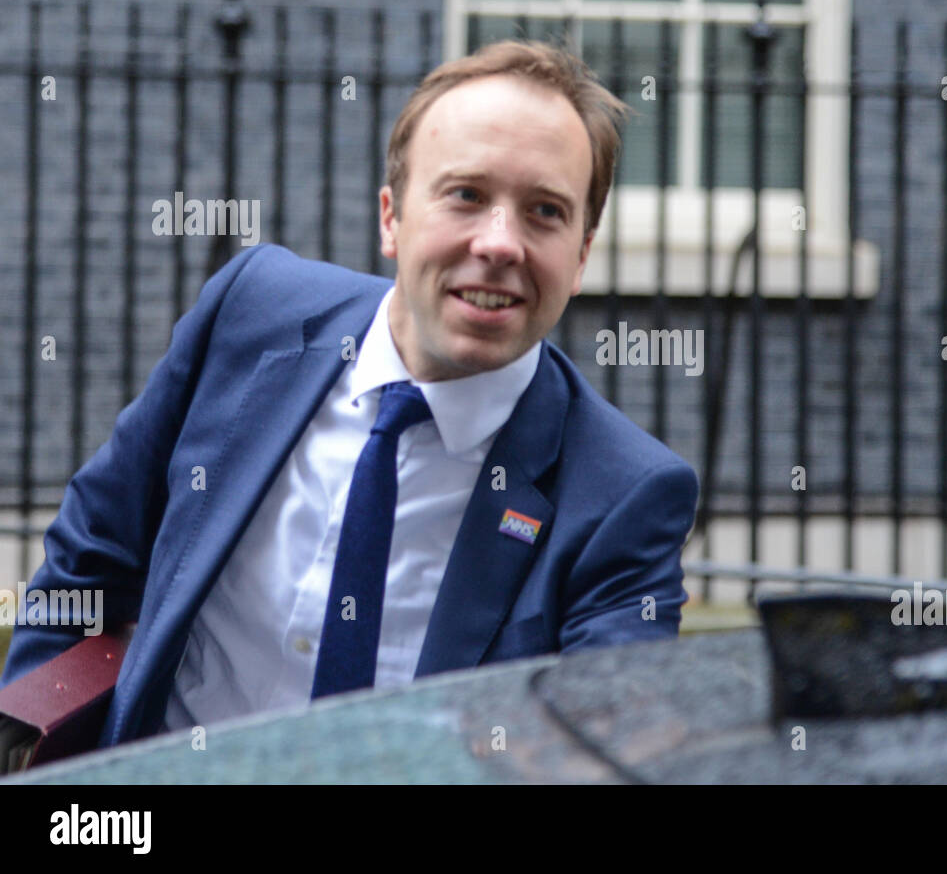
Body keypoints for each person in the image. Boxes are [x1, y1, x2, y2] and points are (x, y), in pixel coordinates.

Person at [0, 39, 699, 748]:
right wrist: (32, 750)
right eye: (467, 195)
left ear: (581, 255)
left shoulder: (626, 498)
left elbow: (600, 747)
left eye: (545, 211)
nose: (500, 243)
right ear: (391, 217)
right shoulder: (249, 317)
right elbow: (90, 559)